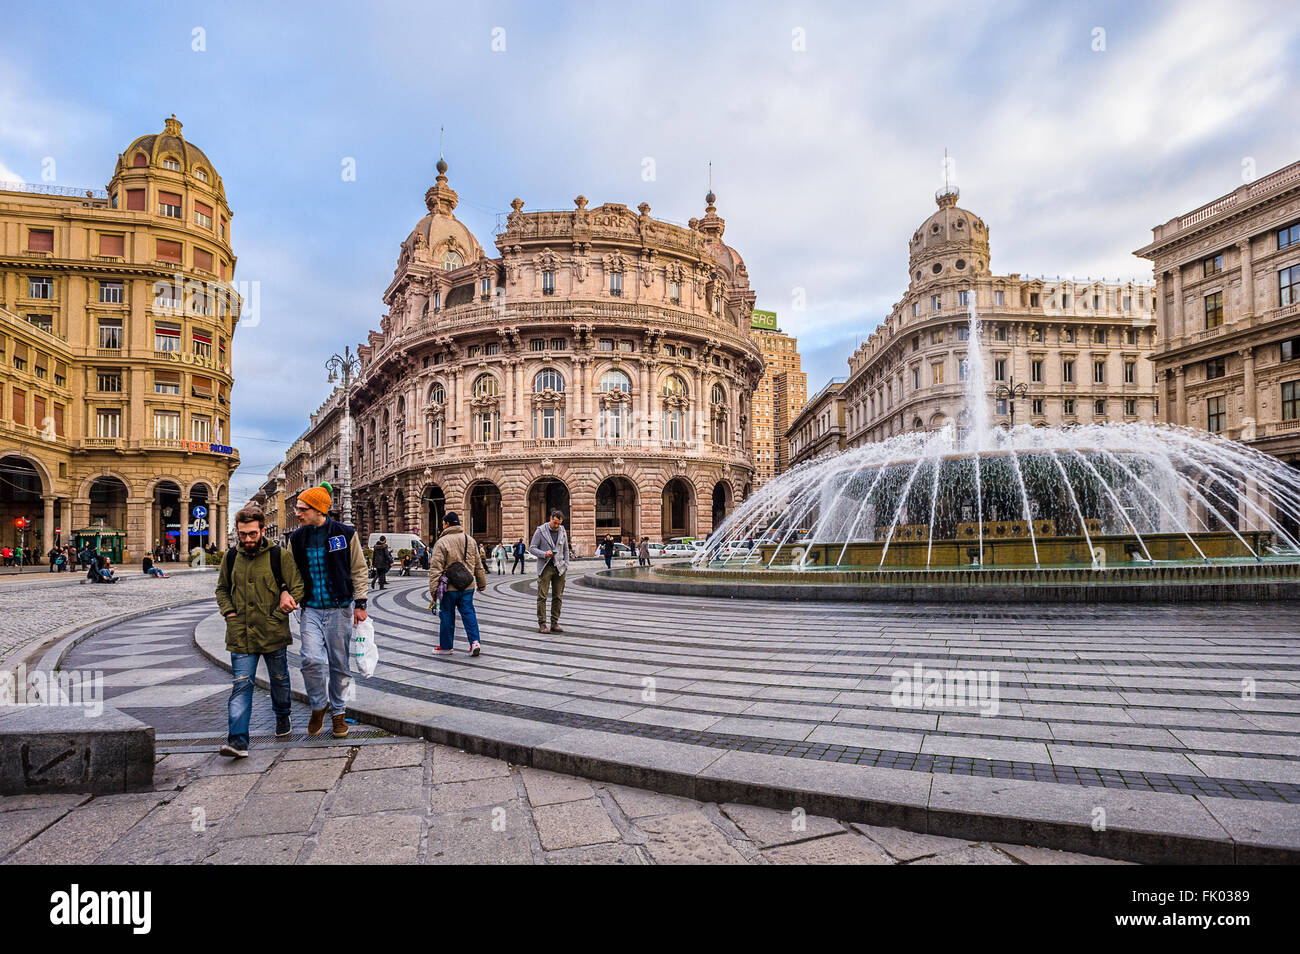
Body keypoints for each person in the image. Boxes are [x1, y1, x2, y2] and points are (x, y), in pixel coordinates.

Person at [215, 505, 305, 758]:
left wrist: (281, 609)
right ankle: (238, 741)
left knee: (279, 679)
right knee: (241, 685)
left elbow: (297, 587)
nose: (247, 539)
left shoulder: (278, 555)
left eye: (252, 534)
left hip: (273, 631)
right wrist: (229, 613)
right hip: (241, 634)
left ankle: (283, 715)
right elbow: (222, 589)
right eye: (242, 534)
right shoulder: (231, 557)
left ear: (262, 531)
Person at [287, 483, 368, 739]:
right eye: (297, 508)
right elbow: (291, 573)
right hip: (310, 609)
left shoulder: (345, 533)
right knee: (310, 659)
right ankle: (319, 705)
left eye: (302, 509)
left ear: (318, 510)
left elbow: (358, 569)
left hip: (339, 609)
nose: (297, 513)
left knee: (339, 665)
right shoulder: (296, 538)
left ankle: (339, 713)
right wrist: (288, 592)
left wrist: (361, 603)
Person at [427, 511, 487, 656]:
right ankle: (475, 642)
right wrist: (481, 582)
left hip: (449, 587)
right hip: (468, 585)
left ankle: (446, 647)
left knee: (447, 615)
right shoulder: (470, 540)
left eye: (443, 524)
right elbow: (478, 564)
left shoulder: (442, 542)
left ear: (447, 524)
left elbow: (436, 567)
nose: (442, 526)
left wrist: (433, 589)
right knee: (469, 613)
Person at [529, 509, 569, 634]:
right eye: (555, 522)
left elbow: (566, 549)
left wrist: (566, 564)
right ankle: (542, 624)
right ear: (550, 518)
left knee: (558, 596)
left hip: (560, 567)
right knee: (542, 596)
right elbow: (532, 548)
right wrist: (544, 554)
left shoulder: (562, 530)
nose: (557, 526)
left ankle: (554, 623)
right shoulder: (540, 531)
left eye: (559, 523)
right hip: (545, 567)